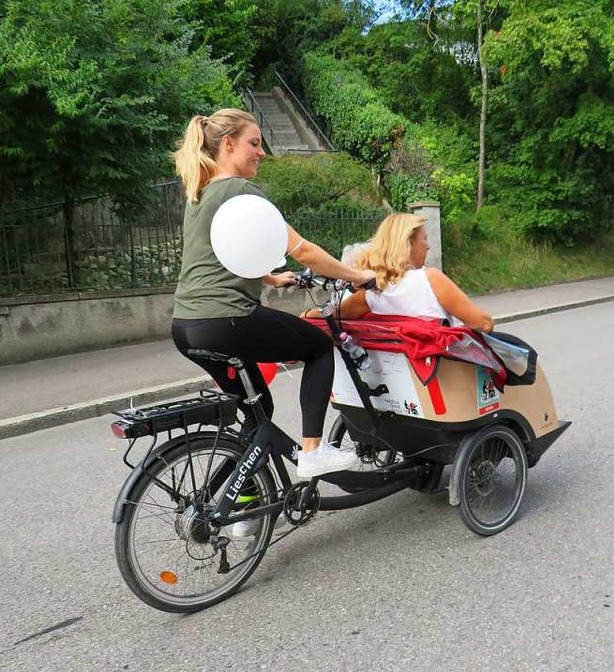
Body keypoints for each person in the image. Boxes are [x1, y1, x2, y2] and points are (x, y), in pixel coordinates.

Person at [170, 108, 375, 478]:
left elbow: (217, 256)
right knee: (316, 346)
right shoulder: (240, 191)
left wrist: (268, 277)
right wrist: (357, 275)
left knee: (256, 411)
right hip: (226, 319)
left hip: (187, 326)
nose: (261, 152)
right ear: (228, 144)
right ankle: (313, 452)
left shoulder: (198, 196)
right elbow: (303, 250)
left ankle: (245, 509)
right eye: (254, 143)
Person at [302, 213, 494, 332]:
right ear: (409, 243)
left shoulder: (371, 294)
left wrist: (305, 314)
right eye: (424, 239)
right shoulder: (430, 280)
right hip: (441, 381)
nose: (428, 246)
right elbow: (484, 323)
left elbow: (328, 314)